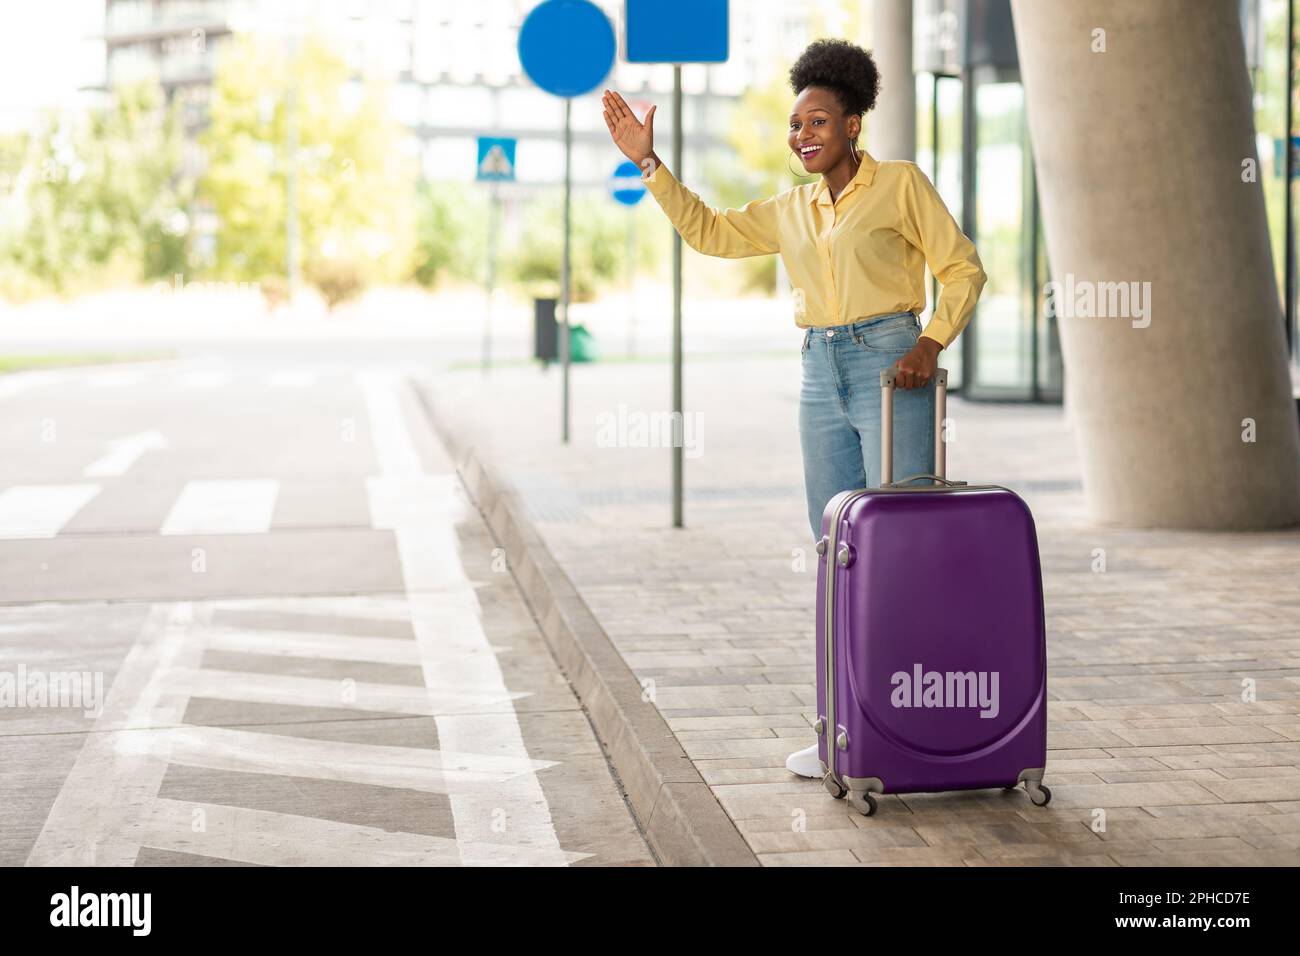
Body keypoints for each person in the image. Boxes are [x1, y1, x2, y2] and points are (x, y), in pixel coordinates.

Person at [601, 38, 986, 779]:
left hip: (891, 363)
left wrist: (930, 344)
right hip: (819, 370)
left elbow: (961, 268)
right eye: (794, 125)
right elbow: (710, 233)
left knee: (900, 539)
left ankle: (915, 728)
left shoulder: (901, 185)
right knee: (836, 547)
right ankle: (848, 731)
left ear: (853, 125)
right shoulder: (790, 209)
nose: (801, 136)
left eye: (817, 122)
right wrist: (649, 164)